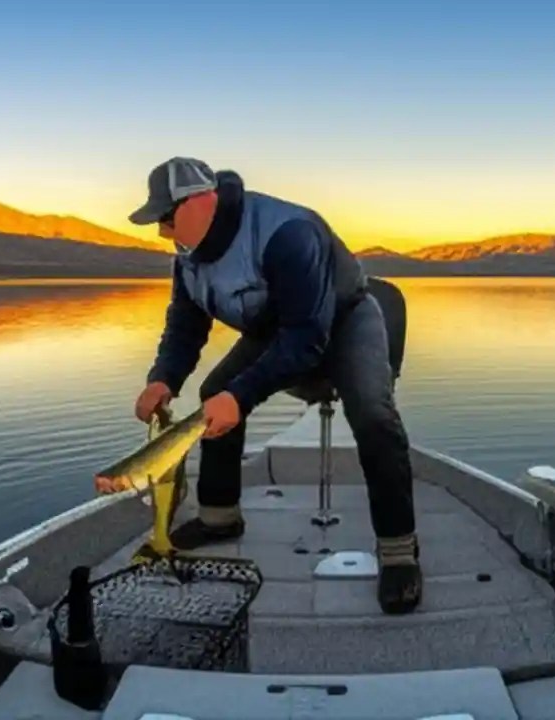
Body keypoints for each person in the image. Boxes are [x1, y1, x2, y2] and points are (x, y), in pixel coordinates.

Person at [128, 157, 422, 614]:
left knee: (374, 415)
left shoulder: (288, 233)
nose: (163, 232)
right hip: (277, 329)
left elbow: (306, 340)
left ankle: (400, 552)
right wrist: (162, 379)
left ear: (203, 200)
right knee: (214, 393)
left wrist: (242, 397)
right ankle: (220, 517)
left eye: (166, 219)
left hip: (344, 319)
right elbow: (185, 328)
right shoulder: (187, 260)